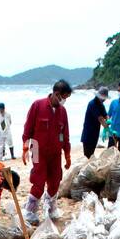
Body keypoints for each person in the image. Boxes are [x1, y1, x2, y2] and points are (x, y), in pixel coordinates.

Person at [22, 79, 72, 225]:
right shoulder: (37, 105)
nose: (64, 101)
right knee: (38, 180)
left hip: (55, 151)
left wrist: (67, 154)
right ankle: (30, 211)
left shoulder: (63, 112)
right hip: (38, 148)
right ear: (56, 94)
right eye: (64, 98)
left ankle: (50, 208)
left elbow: (65, 134)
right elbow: (28, 129)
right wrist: (25, 147)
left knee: (55, 180)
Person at [82, 86, 109, 157]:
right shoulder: (92, 104)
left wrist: (109, 121)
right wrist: (107, 128)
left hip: (95, 134)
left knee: (91, 154)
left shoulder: (101, 105)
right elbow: (100, 118)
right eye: (103, 98)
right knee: (88, 156)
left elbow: (105, 115)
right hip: (88, 135)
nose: (104, 100)